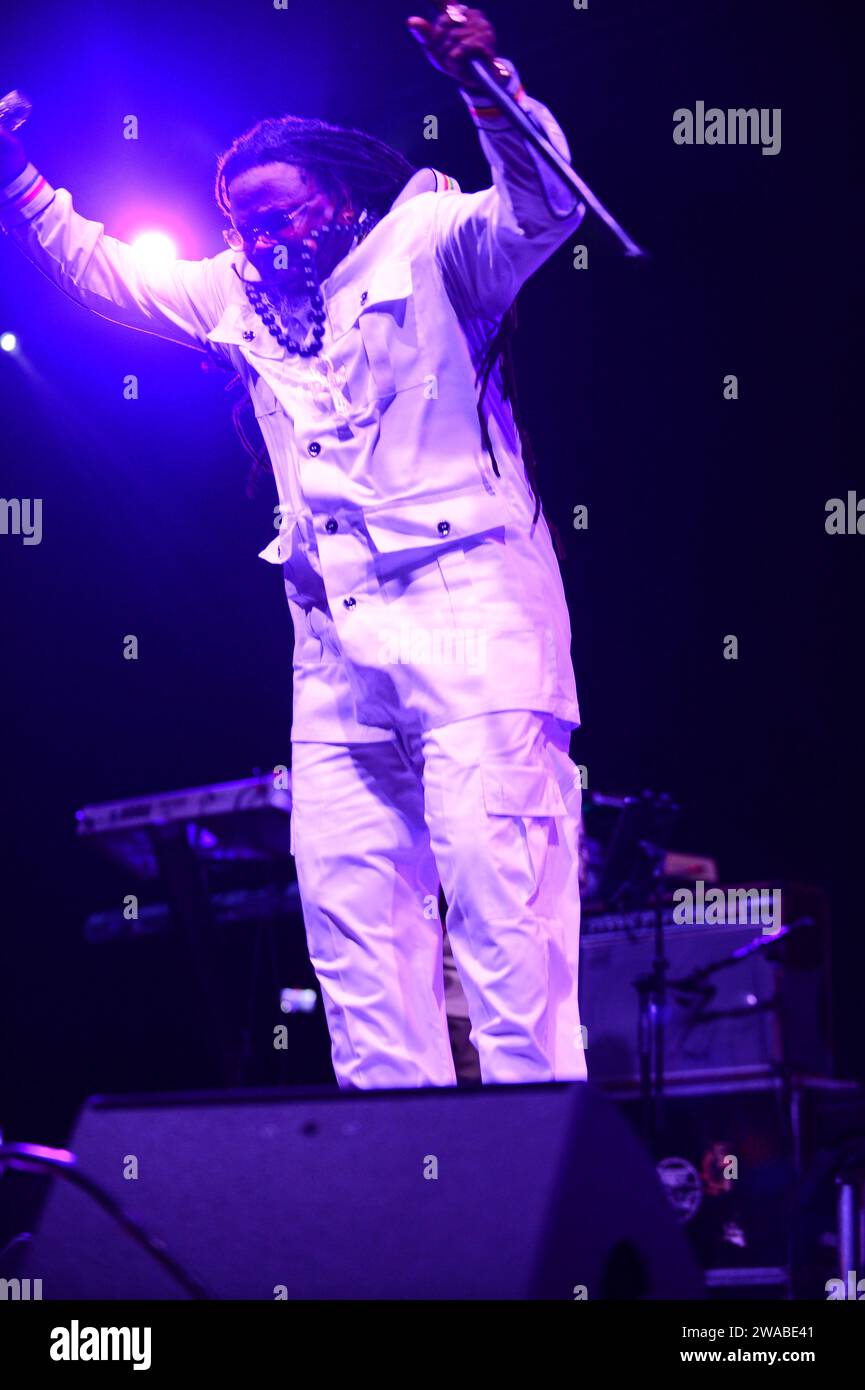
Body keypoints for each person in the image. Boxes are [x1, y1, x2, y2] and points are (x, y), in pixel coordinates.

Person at [0, 4, 589, 1088]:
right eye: (239, 219)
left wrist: (485, 82)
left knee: (506, 926)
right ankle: (407, 1221)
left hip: (477, 627)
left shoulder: (437, 241)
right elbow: (102, 270)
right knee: (357, 944)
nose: (260, 235)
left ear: (342, 190)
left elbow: (545, 204)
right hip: (332, 663)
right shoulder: (242, 295)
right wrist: (16, 183)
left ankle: (535, 1210)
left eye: (280, 210)